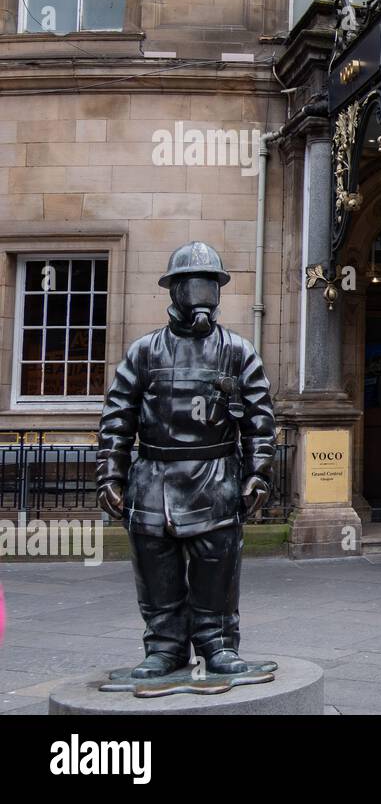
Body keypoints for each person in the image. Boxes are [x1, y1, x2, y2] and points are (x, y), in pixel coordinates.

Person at [97, 242, 276, 679]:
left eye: (209, 286)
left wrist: (257, 474)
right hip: (153, 478)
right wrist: (110, 475)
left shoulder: (237, 351)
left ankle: (218, 643)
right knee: (157, 573)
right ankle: (164, 647)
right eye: (193, 285)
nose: (201, 296)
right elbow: (117, 417)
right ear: (174, 290)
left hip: (215, 477)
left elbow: (260, 420)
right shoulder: (144, 352)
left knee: (218, 571)